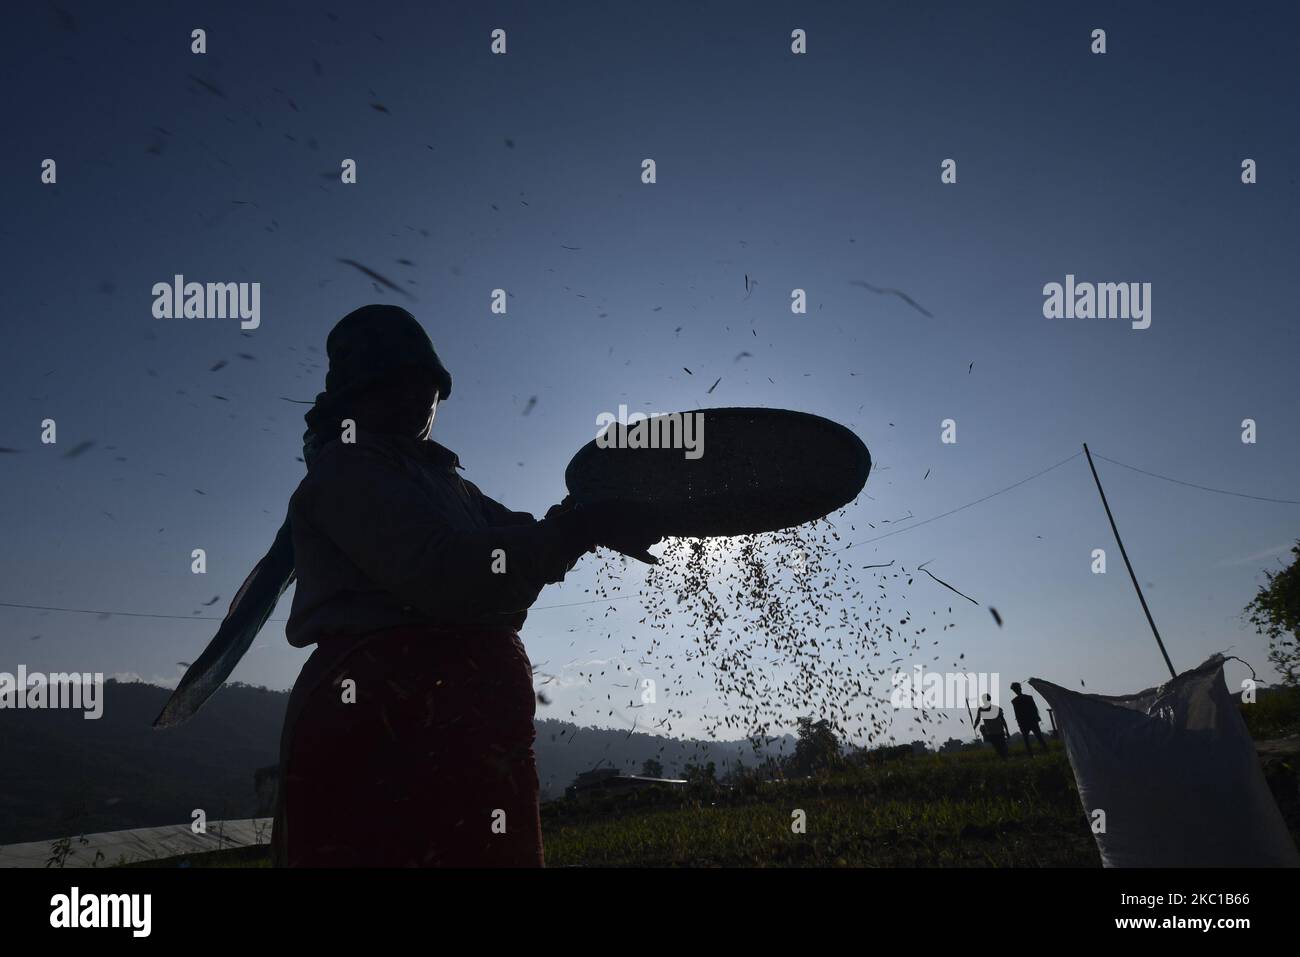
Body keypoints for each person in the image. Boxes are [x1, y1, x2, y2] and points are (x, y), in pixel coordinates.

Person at [157, 304, 661, 867]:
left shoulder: (451, 485)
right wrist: (574, 531)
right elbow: (445, 573)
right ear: (358, 393)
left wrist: (587, 518)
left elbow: (522, 541)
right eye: (397, 384)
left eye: (428, 389)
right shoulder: (346, 471)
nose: (418, 402)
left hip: (475, 733)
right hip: (383, 723)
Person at [1009, 682, 1049, 755]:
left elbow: (1018, 713)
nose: (1016, 691)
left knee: (1029, 740)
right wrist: (1037, 717)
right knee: (1037, 738)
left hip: (1026, 722)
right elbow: (1034, 709)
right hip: (1029, 721)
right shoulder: (1027, 698)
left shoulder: (1015, 701)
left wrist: (1019, 723)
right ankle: (1045, 752)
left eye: (1015, 689)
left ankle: (1035, 754)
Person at [973, 693, 1010, 758]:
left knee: (1001, 747)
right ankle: (1005, 759)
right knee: (1000, 747)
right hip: (993, 732)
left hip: (996, 731)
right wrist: (974, 727)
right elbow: (978, 720)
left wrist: (974, 727)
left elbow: (1003, 720)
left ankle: (1005, 759)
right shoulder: (983, 709)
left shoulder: (987, 709)